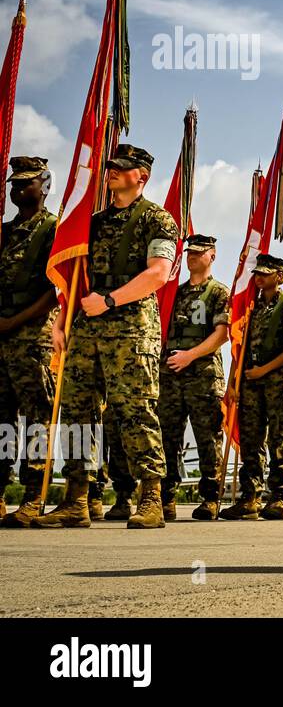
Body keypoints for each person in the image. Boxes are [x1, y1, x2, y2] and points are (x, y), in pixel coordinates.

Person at [36, 144, 178, 529]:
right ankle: (77, 498)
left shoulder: (158, 220)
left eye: (122, 167)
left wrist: (111, 300)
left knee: (135, 411)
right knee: (78, 412)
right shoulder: (92, 223)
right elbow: (77, 277)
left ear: (141, 176)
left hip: (131, 327)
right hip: (87, 325)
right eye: (111, 166)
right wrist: (62, 321)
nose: (112, 171)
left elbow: (159, 274)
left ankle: (150, 496)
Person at [220, 253, 283, 521]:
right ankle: (249, 497)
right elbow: (239, 348)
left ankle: (279, 496)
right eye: (257, 274)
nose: (259, 278)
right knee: (251, 441)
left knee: (280, 440)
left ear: (279, 276)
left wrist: (263, 370)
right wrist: (235, 381)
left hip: (279, 382)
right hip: (251, 382)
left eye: (265, 274)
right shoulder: (250, 307)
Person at [0, 157, 57, 527]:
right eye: (14, 184)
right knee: (2, 421)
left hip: (33, 335)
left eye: (27, 183)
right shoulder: (4, 231)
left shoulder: (54, 229)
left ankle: (35, 496)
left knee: (39, 420)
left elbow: (56, 290)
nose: (18, 190)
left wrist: (14, 321)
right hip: (2, 336)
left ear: (45, 185)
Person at [159, 234, 230, 521]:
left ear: (212, 255)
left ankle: (210, 498)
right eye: (189, 252)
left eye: (199, 253)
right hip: (171, 375)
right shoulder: (173, 293)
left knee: (207, 437)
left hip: (203, 374)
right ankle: (165, 497)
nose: (192, 257)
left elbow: (222, 334)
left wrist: (190, 355)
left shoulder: (218, 293)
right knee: (168, 437)